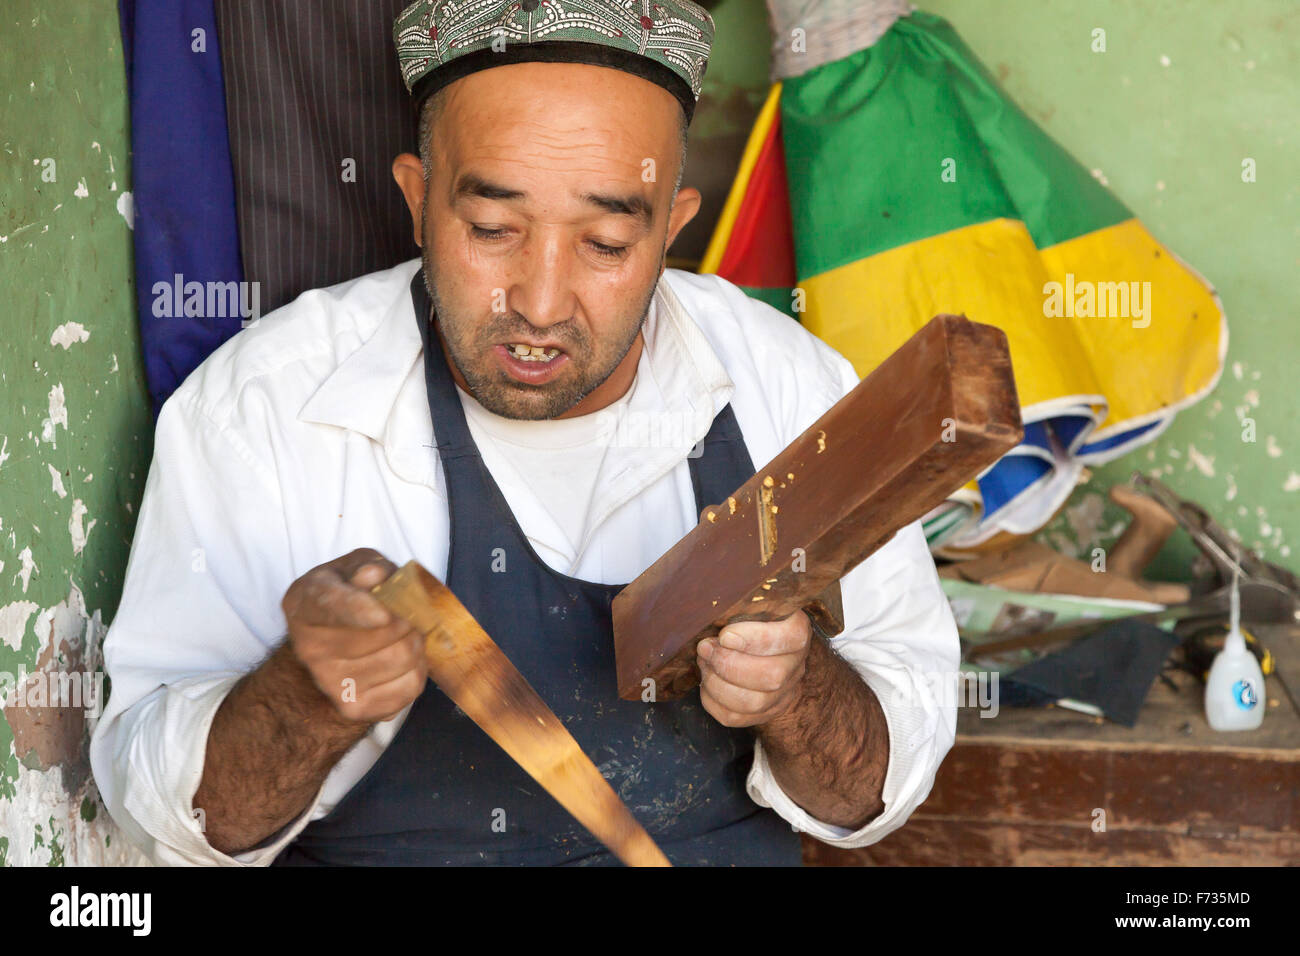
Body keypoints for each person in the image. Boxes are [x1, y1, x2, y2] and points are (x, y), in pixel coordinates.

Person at [90, 0, 959, 866]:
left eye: (609, 242)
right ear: (417, 199)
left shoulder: (790, 387)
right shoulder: (269, 406)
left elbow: (877, 790)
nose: (540, 303)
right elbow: (160, 815)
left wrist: (798, 694)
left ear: (672, 229)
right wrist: (302, 699)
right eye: (493, 230)